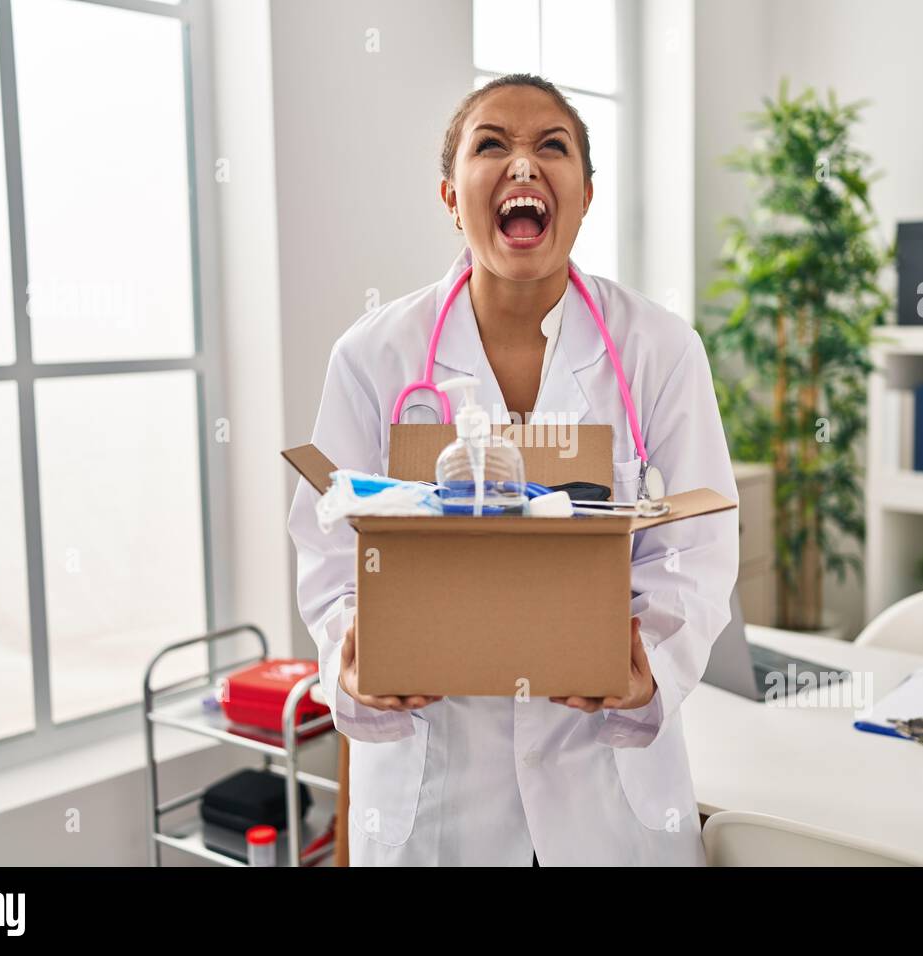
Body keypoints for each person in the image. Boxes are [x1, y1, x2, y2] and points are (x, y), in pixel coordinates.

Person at [288, 74, 739, 865]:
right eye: (491, 145)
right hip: (439, 799)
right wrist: (352, 660)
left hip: (606, 789)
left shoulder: (661, 350)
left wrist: (651, 665)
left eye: (552, 146)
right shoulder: (372, 357)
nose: (523, 166)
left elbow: (698, 549)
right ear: (450, 196)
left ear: (587, 194)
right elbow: (328, 555)